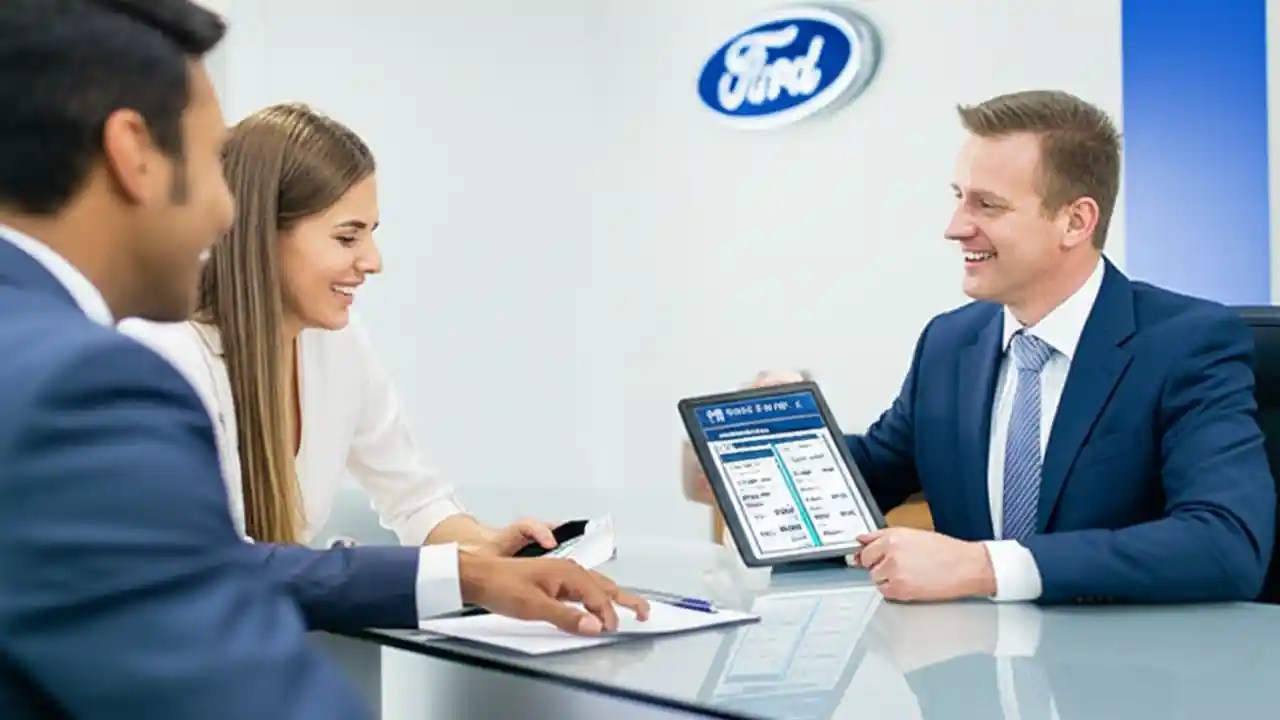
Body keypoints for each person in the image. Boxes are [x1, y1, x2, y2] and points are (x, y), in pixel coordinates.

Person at [0, 1, 644, 717]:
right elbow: (214, 605)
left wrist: (478, 559)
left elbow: (409, 497)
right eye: (346, 237)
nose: (222, 215)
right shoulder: (103, 377)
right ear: (133, 153)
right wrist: (463, 576)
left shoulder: (50, 348)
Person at [685, 90, 1275, 605]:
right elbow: (868, 479)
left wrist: (984, 566)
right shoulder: (950, 343)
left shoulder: (1189, 343)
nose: (955, 226)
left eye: (986, 205)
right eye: (958, 196)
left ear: (1075, 221)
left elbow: (1224, 544)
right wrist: (755, 447)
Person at [120, 103, 556, 554]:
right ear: (261, 234)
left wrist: (491, 547)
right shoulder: (170, 359)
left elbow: (415, 499)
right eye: (347, 237)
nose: (373, 261)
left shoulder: (338, 344)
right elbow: (226, 564)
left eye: (371, 233)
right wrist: (448, 578)